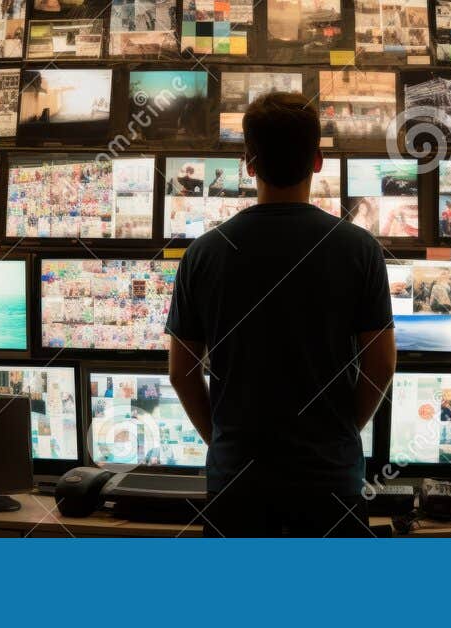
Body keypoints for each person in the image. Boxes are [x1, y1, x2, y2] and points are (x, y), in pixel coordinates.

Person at [167, 93, 396, 538]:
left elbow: (181, 373)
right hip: (331, 484)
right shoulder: (359, 249)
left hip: (237, 484)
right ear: (318, 161)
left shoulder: (204, 253)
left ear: (248, 163)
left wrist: (222, 442)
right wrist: (342, 435)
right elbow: (382, 364)